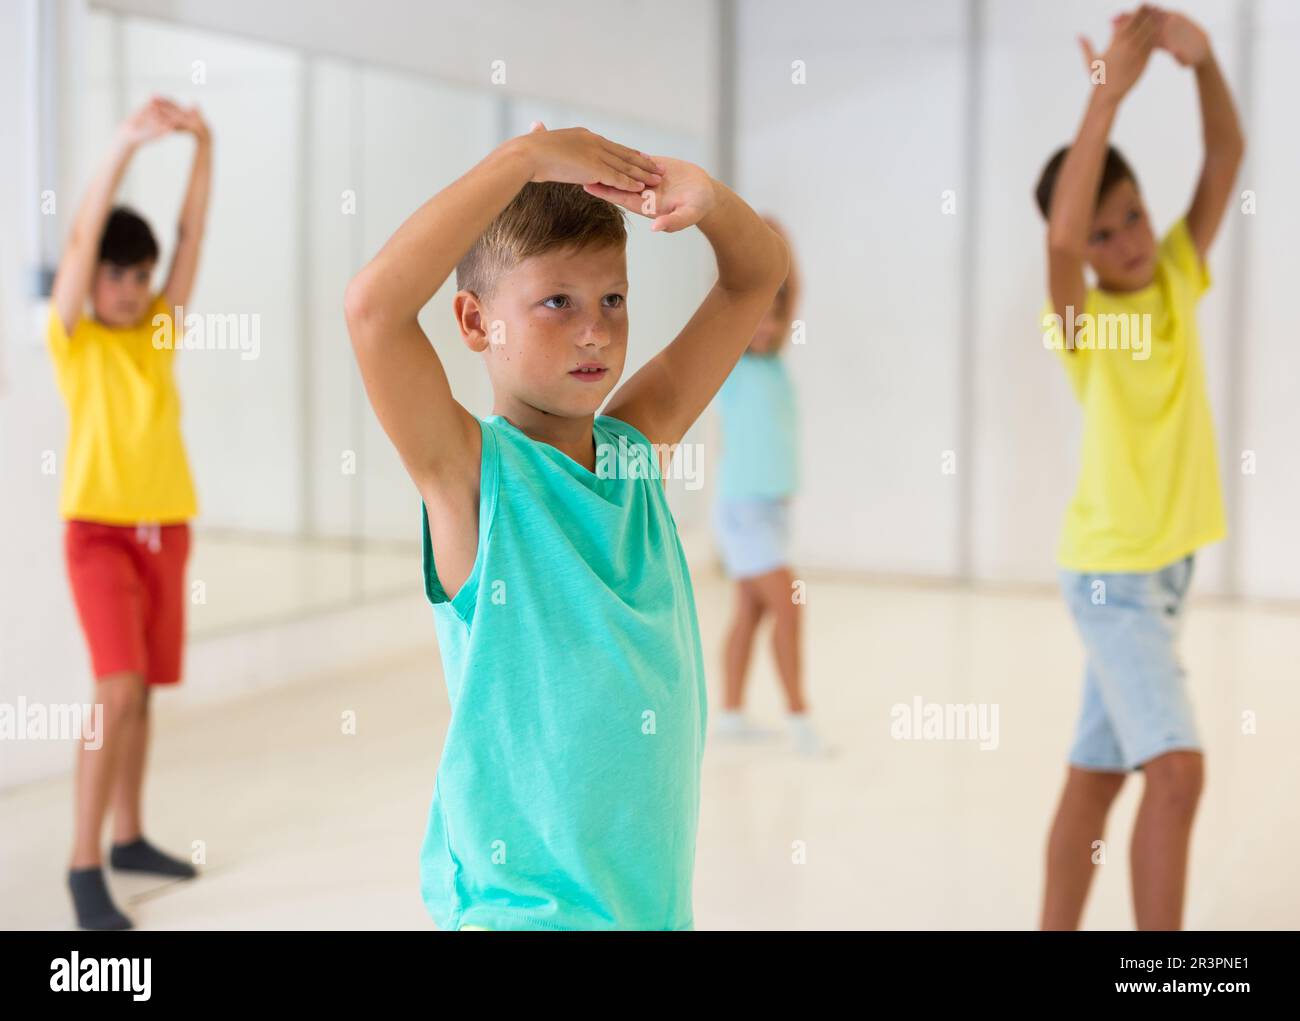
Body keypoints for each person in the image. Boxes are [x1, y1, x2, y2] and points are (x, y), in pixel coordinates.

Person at [344, 121, 787, 930]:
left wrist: (712, 202)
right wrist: (521, 160)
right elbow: (374, 310)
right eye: (557, 302)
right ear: (477, 323)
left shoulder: (635, 447)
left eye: (612, 298)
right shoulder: (473, 478)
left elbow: (754, 278)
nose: (596, 329)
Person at [1034, 6, 1244, 930]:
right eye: (1104, 229)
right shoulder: (1081, 325)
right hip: (1113, 574)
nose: (1124, 239)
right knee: (1179, 772)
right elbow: (1058, 238)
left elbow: (1226, 156)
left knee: (1095, 779)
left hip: (1165, 573)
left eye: (1134, 217)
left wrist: (1200, 65)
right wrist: (1105, 99)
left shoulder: (1175, 274)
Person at [48, 95, 213, 930]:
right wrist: (125, 144)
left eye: (138, 275)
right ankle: (83, 867)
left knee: (143, 691)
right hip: (99, 534)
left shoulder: (155, 328)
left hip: (166, 528)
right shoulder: (73, 336)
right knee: (114, 687)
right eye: (118, 273)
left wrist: (203, 146)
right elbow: (80, 242)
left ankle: (127, 836)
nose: (130, 286)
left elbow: (190, 242)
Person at [711, 219, 825, 755]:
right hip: (744, 508)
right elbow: (736, 302)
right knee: (789, 606)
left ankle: (730, 713)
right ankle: (799, 715)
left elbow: (792, 290)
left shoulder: (775, 364)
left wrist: (779, 240)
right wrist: (744, 246)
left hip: (772, 507)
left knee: (751, 611)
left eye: (775, 320)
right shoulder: (731, 366)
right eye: (757, 320)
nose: (766, 328)